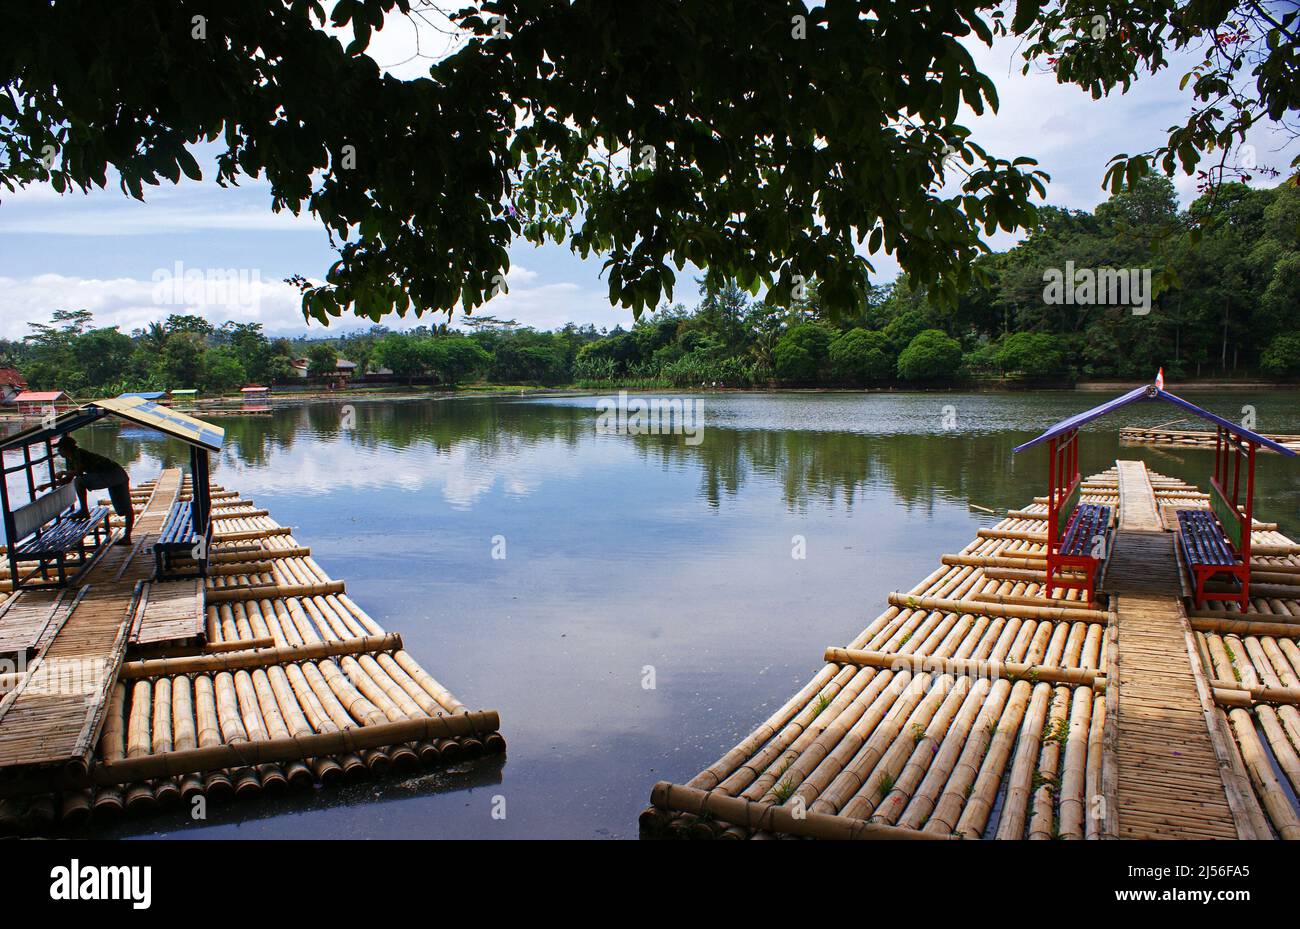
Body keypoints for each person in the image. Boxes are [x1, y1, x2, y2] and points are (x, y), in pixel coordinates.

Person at [47, 435, 134, 544]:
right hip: (115, 475)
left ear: (67, 448)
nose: (59, 451)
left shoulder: (78, 453)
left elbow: (78, 472)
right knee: (123, 510)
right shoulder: (70, 459)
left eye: (60, 449)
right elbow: (68, 479)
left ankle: (84, 511)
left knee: (125, 509)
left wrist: (63, 472)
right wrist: (47, 485)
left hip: (113, 474)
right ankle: (127, 538)